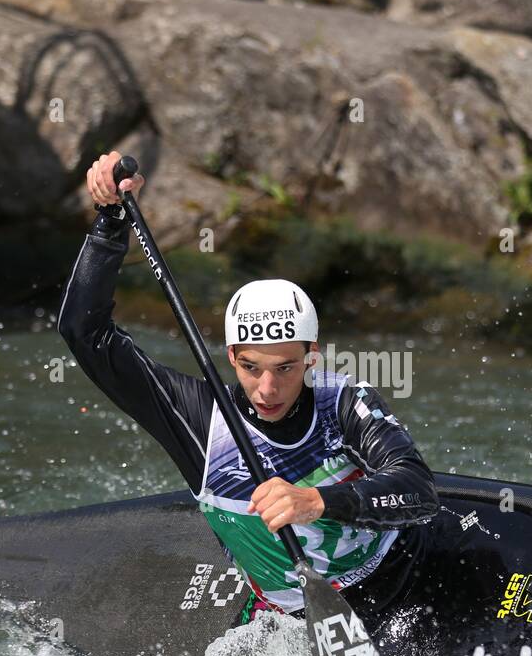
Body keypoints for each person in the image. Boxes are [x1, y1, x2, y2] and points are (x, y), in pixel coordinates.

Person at [59, 151, 440, 627]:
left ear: (312, 356)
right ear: (232, 357)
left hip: (403, 575)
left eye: (286, 368)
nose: (267, 388)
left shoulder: (343, 402)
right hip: (291, 619)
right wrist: (111, 220)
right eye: (250, 367)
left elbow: (419, 489)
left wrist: (319, 502)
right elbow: (85, 333)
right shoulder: (201, 421)